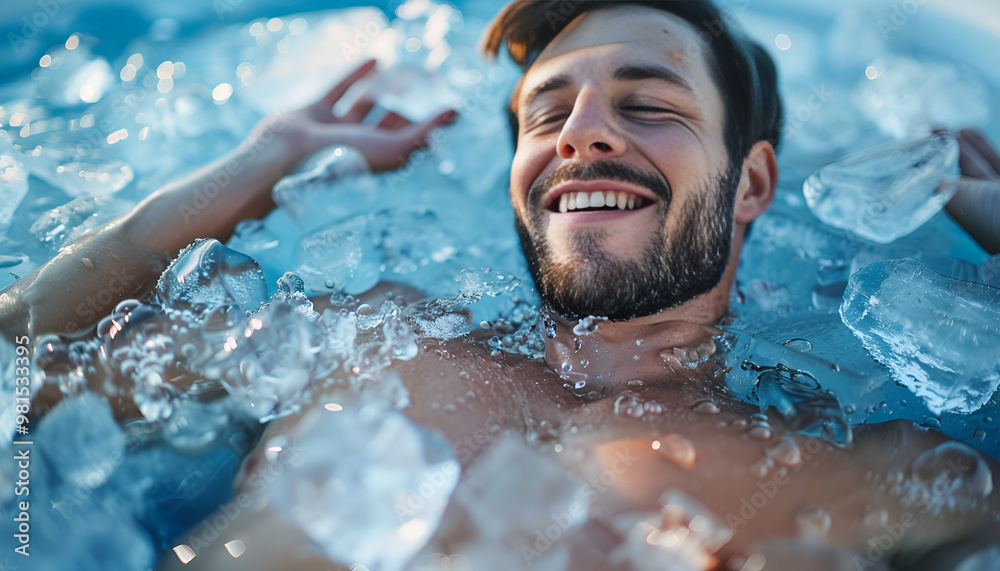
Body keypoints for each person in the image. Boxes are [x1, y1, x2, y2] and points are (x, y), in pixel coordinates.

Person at [2, 1, 999, 569]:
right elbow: (17, 372)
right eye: (547, 114)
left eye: (647, 103)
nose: (581, 132)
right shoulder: (370, 344)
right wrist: (248, 170)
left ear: (752, 183)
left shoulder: (851, 473)